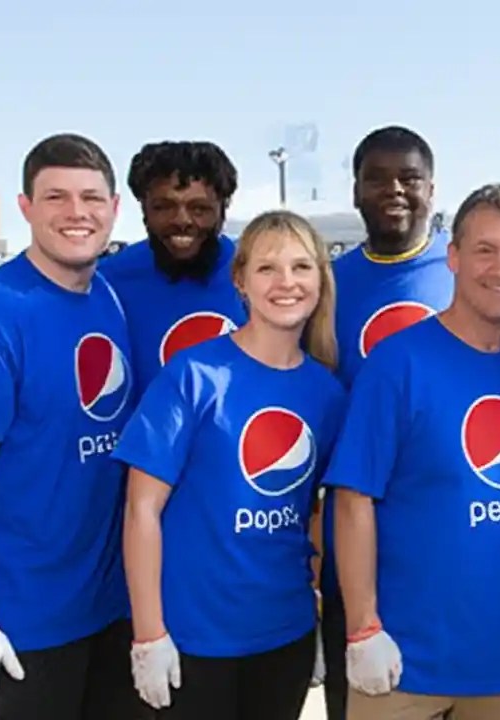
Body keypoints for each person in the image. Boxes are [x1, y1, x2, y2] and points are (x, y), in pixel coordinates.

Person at [0, 133, 149, 720]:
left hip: (102, 614)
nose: (77, 213)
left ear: (114, 208)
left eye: (91, 198)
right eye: (56, 197)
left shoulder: (108, 297)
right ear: (25, 207)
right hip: (12, 625)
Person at [113, 210, 345, 718]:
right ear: (239, 280)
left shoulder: (327, 393)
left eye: (301, 267)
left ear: (320, 281)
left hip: (284, 636)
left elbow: (321, 508)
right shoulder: (193, 376)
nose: (286, 283)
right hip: (193, 641)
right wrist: (149, 634)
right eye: (267, 268)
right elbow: (141, 510)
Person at [326, 184, 500, 720]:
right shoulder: (398, 363)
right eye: (485, 250)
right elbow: (353, 499)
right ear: (453, 256)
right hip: (402, 659)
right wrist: (363, 627)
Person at [320, 125, 455, 720]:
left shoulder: (465, 272)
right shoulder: (329, 285)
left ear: (432, 188)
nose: (393, 190)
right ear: (355, 191)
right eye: (377, 178)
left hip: (451, 532)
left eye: (409, 178)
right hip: (355, 533)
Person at [98, 140, 247, 392]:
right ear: (143, 208)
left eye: (199, 208)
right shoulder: (106, 283)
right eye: (164, 207)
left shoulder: (261, 274)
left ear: (224, 207)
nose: (181, 220)